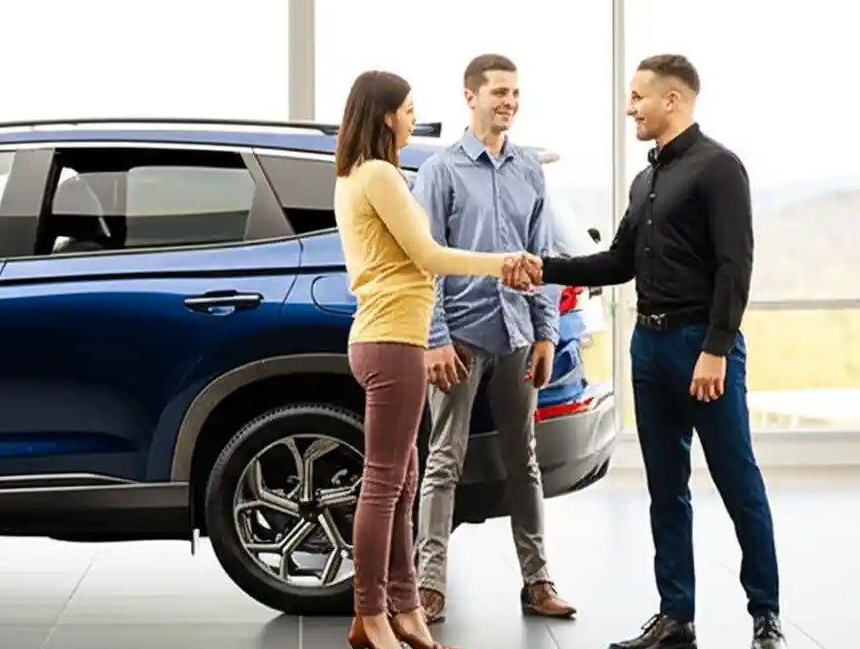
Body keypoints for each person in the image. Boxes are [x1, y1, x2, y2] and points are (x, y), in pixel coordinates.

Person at [519, 54, 785, 649]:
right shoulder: (647, 181)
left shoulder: (719, 167)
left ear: (674, 100)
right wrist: (544, 269)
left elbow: (734, 265)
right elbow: (617, 261)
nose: (629, 107)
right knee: (665, 486)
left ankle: (765, 615)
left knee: (737, 479)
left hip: (701, 346)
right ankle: (676, 617)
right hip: (649, 345)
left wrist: (716, 349)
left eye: (638, 97)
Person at [333, 68, 535, 649]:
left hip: (383, 335)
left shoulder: (354, 175)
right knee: (383, 482)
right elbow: (427, 254)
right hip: (394, 339)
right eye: (407, 109)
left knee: (404, 480)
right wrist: (502, 263)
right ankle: (369, 614)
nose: (412, 119)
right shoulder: (380, 175)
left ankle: (404, 607)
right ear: (385, 115)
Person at [411, 53, 577, 624]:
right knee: (442, 461)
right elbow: (423, 263)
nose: (509, 102)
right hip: (458, 336)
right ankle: (428, 586)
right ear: (470, 96)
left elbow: (543, 259)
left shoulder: (530, 170)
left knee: (523, 461)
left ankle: (538, 581)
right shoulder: (441, 171)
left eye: (515, 94)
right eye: (499, 92)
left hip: (516, 336)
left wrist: (545, 334)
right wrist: (435, 338)